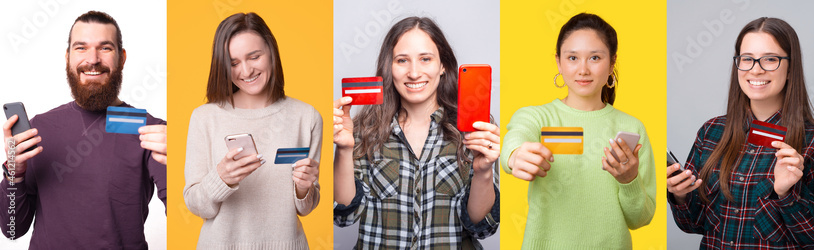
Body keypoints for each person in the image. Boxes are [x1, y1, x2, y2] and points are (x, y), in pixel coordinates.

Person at [0, 11, 168, 249]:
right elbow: (12, 229)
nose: (93, 59)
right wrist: (14, 172)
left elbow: (187, 212)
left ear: (122, 58)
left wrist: (185, 160)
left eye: (105, 48)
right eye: (81, 48)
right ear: (68, 57)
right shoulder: (38, 129)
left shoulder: (150, 131)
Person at [332, 16, 501, 249]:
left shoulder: (477, 129)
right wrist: (344, 149)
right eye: (402, 60)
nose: (414, 73)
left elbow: (481, 227)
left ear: (442, 65)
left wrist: (483, 171)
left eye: (425, 59)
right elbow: (344, 217)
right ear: (389, 67)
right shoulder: (364, 129)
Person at [666, 17, 814, 249]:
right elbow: (692, 224)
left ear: (790, 68)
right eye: (747, 59)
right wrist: (680, 195)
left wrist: (787, 194)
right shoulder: (710, 132)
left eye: (770, 59)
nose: (756, 69)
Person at [501, 13, 655, 249]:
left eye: (595, 58)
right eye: (572, 57)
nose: (583, 69)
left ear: (612, 63)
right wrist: (514, 155)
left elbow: (640, 219)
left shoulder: (632, 128)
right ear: (559, 62)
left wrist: (629, 181)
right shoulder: (537, 117)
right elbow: (517, 136)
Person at [182, 12, 321, 249]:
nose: (246, 71)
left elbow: (305, 208)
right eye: (233, 63)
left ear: (271, 51)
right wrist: (220, 179)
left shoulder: (306, 116)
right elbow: (195, 205)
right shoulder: (205, 117)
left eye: (254, 57)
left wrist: (304, 187)